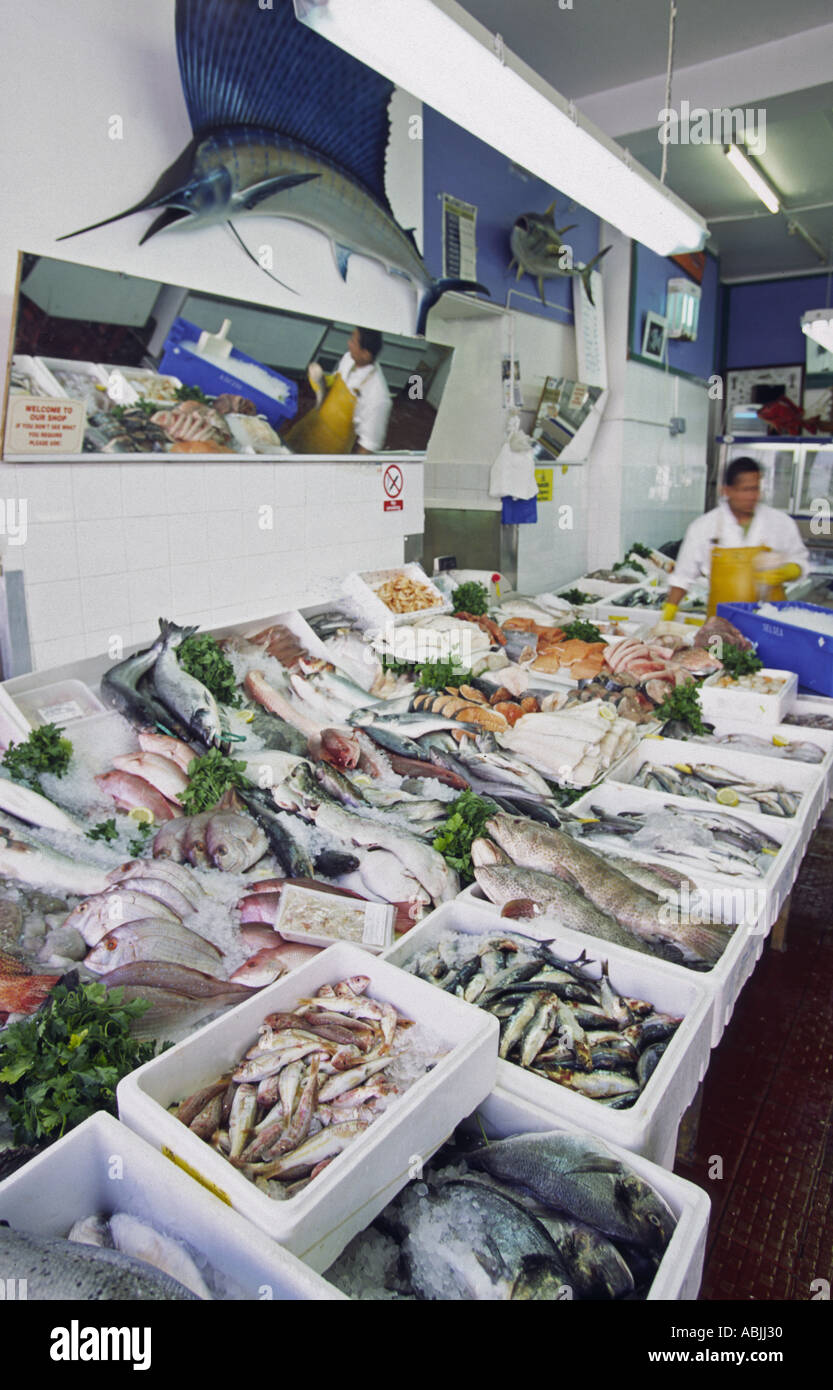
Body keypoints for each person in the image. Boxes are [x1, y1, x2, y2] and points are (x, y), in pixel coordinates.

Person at [662, 457, 808, 620]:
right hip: (721, 624)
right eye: (745, 490)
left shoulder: (780, 523)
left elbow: (801, 562)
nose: (752, 496)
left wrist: (789, 570)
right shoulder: (703, 527)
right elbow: (682, 577)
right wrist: (669, 612)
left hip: (771, 623)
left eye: (756, 489)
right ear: (726, 490)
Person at [283, 326, 392, 455]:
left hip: (329, 450)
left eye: (353, 342)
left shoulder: (378, 397)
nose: (349, 343)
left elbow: (368, 446)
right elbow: (334, 383)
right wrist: (320, 380)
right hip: (310, 427)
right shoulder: (349, 358)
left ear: (365, 354)